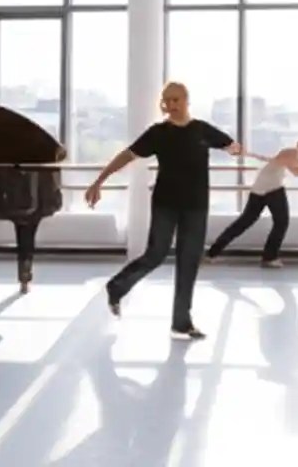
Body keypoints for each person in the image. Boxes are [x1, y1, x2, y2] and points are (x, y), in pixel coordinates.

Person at [85, 82, 241, 340]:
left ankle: (181, 322)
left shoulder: (202, 130)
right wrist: (99, 180)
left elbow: (231, 146)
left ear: (186, 100)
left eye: (176, 100)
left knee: (189, 262)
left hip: (196, 206)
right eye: (167, 100)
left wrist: (236, 149)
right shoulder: (158, 133)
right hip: (166, 204)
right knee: (156, 254)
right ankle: (117, 287)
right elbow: (127, 155)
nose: (171, 105)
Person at [206, 131, 298, 268]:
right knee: (279, 222)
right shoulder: (293, 152)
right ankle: (269, 257)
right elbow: (292, 168)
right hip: (271, 187)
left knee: (246, 221)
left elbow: (295, 170)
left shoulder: (297, 153)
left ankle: (212, 253)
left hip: (263, 186)